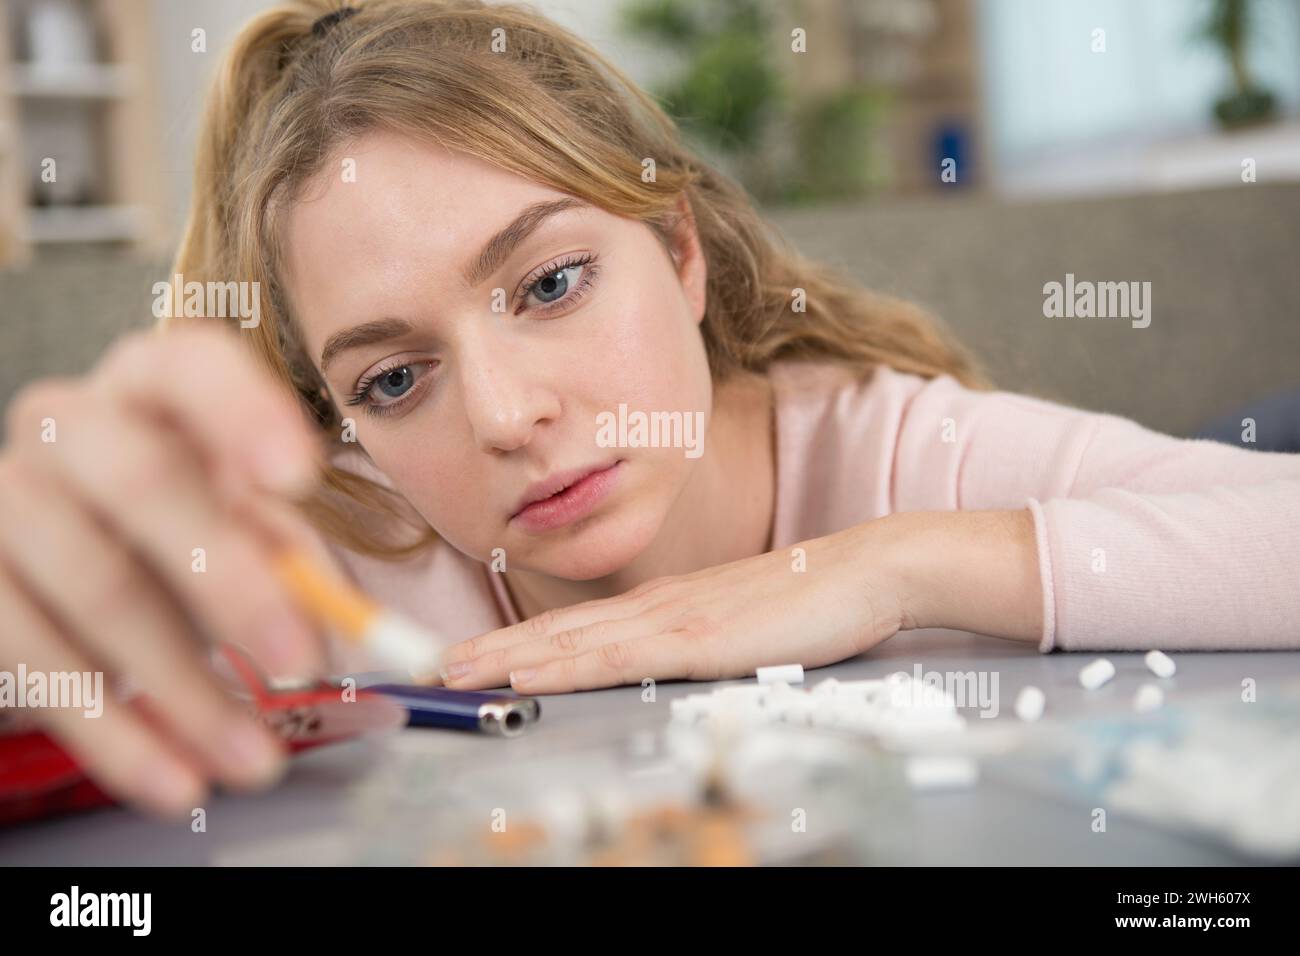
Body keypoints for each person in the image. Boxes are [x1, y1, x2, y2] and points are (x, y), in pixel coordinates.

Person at [2, 0, 1297, 819]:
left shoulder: (906, 451)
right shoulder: (338, 562)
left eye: (552, 282)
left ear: (679, 252)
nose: (507, 416)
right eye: (395, 379)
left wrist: (896, 566)